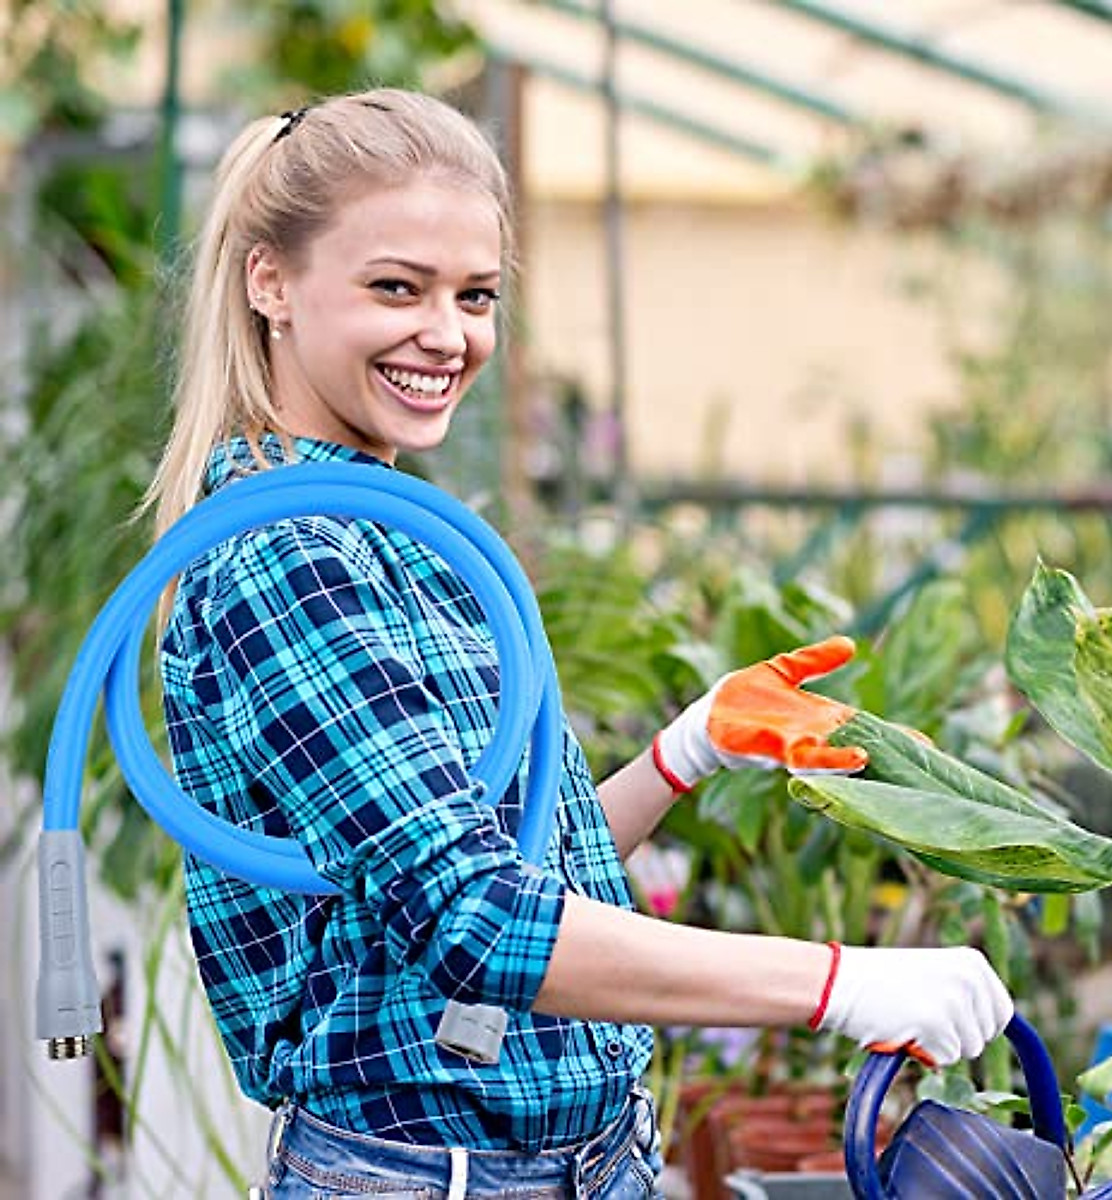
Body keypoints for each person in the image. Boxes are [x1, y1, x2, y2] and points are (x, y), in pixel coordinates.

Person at [146, 88, 1013, 1200]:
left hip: (578, 1163)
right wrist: (838, 982)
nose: (447, 335)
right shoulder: (290, 557)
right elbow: (472, 922)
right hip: (436, 1176)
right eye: (396, 288)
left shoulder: (392, 532)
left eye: (475, 295)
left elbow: (488, 868)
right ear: (270, 282)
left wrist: (683, 753)